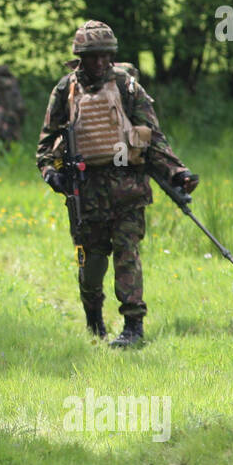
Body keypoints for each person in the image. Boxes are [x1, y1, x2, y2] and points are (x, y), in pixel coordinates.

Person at [35, 20, 199, 347]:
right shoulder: (64, 90)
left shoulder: (127, 86)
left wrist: (176, 172)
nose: (98, 63)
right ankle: (93, 317)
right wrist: (51, 172)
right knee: (93, 262)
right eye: (91, 56)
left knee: (128, 253)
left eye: (104, 56)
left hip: (128, 187)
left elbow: (152, 136)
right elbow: (46, 143)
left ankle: (133, 327)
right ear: (80, 56)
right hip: (85, 191)